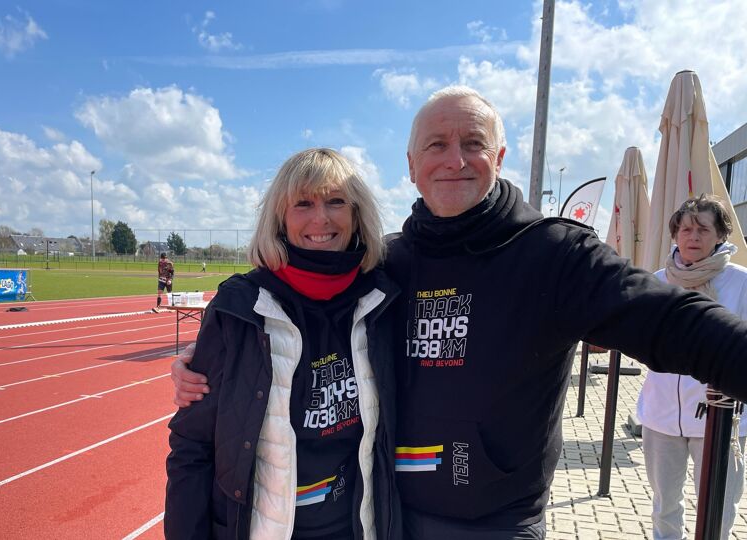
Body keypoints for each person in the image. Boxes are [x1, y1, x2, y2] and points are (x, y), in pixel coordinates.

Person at [173, 86, 747, 539]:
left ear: (498, 156)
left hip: (497, 524)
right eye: (437, 145)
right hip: (390, 520)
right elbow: (298, 317)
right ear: (411, 164)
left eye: (472, 143)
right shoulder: (386, 267)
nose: (455, 160)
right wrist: (207, 361)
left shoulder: (554, 254)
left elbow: (676, 322)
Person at [165, 148, 402, 539]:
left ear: (357, 214)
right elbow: (192, 445)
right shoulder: (239, 308)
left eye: (336, 201)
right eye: (303, 203)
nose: (320, 218)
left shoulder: (383, 300)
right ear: (280, 218)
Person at [635, 195, 747, 540]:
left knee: (718, 507)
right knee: (664, 506)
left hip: (721, 413)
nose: (693, 237)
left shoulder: (741, 283)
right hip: (662, 413)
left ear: (720, 236)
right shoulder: (656, 282)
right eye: (686, 229)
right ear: (675, 235)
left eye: (703, 229)